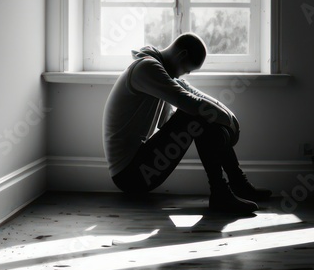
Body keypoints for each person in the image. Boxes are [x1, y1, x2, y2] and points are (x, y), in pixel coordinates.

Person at [102, 32, 271, 213]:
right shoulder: (147, 69)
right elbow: (190, 102)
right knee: (195, 114)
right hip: (131, 176)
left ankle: (236, 185)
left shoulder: (155, 66)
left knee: (200, 113)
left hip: (139, 168)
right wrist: (227, 123)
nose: (186, 74)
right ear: (181, 55)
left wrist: (229, 117)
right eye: (188, 69)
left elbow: (192, 93)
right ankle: (223, 191)